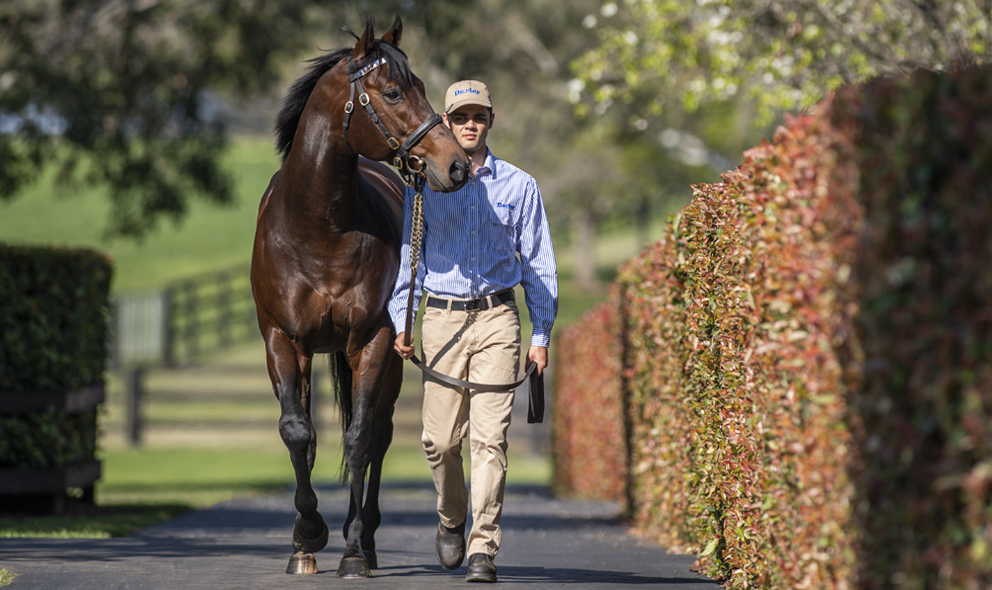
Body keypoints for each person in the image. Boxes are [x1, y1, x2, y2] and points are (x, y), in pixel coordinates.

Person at [388, 79, 558, 583]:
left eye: (477, 116)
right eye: (460, 117)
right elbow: (409, 257)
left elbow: (540, 265)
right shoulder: (422, 184)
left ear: (490, 120)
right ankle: (451, 518)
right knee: (439, 441)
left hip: (497, 320)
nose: (469, 124)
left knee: (490, 440)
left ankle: (483, 548)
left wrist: (541, 333)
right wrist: (404, 318)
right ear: (445, 122)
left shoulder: (520, 186)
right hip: (440, 320)